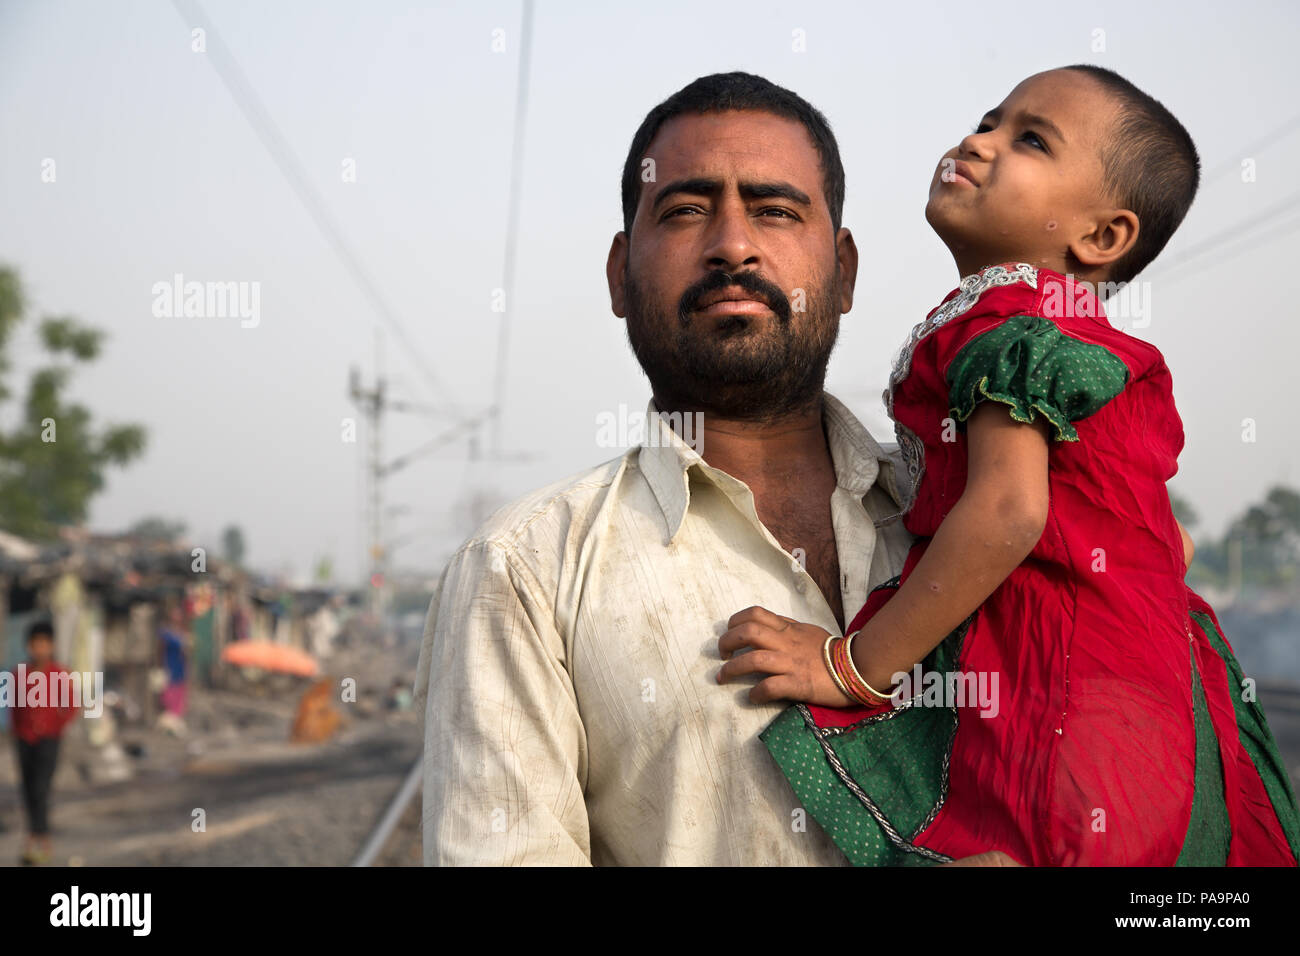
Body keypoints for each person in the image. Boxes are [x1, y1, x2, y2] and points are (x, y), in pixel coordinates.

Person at [415, 71, 1017, 866]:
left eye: (774, 210)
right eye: (687, 211)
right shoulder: (525, 571)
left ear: (844, 275)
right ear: (619, 276)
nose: (734, 246)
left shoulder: (978, 514)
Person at [716, 65, 1300, 866]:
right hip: (1139, 689)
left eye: (1029, 139)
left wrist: (851, 667)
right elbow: (1173, 544)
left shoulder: (1014, 321)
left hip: (1064, 692)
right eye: (989, 119)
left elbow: (1007, 513)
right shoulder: (1067, 337)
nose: (979, 141)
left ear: (1101, 238)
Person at [7, 620, 80, 865]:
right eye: (35, 644)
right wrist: (17, 734)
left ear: (51, 646)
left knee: (41, 788)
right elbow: (14, 709)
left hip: (49, 740)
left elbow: (70, 707)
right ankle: (33, 836)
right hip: (24, 740)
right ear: (29, 646)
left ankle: (42, 840)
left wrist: (55, 728)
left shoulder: (60, 674)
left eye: (44, 644)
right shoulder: (19, 675)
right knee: (27, 789)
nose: (39, 649)